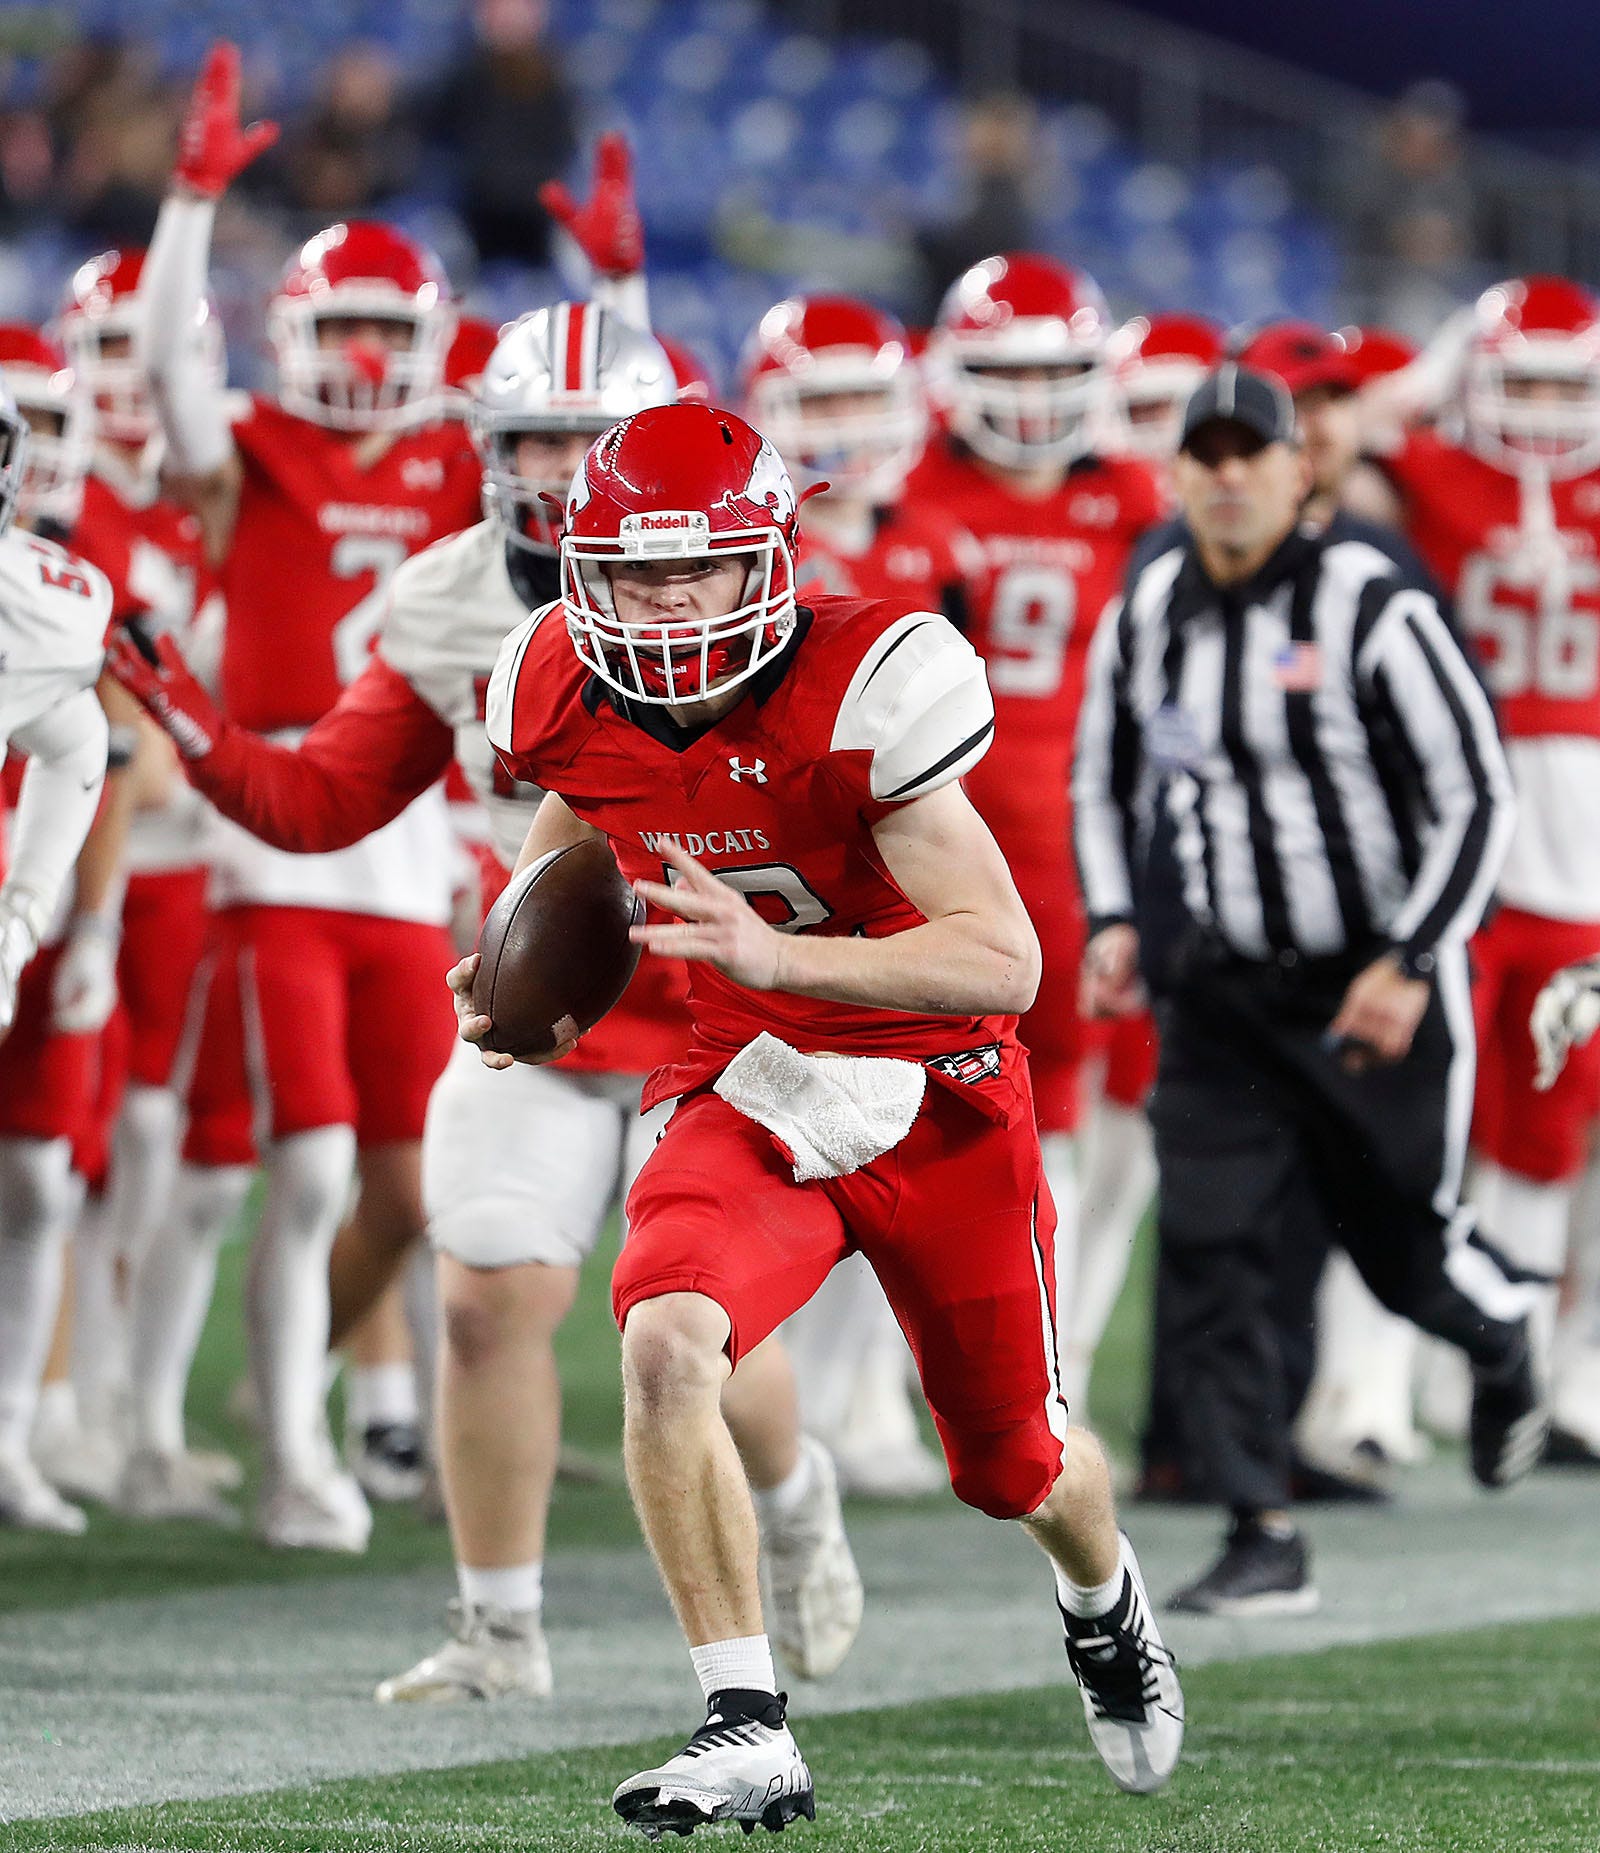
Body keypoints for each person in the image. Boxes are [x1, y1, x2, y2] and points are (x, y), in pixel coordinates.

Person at [111, 306, 863, 1699]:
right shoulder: (451, 595)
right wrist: (205, 736)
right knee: (483, 1296)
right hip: (539, 1003)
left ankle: (796, 1494)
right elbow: (326, 798)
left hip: (721, 1007)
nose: (564, 469)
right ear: (485, 447)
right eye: (536, 440)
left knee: (708, 1340)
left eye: (592, 440)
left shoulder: (746, 590)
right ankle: (499, 1627)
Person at [476, 401, 1183, 1835]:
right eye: (633, 572)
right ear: (581, 571)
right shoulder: (558, 685)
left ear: (770, 564)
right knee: (666, 1339)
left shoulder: (865, 687)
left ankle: (1105, 1601)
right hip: (752, 1082)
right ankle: (745, 1719)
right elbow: (579, 823)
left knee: (1015, 1465)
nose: (665, 602)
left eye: (698, 568)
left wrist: (779, 957)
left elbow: (1003, 962)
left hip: (939, 1092)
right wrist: (523, 967)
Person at [1074, 365, 1546, 1617]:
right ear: (1177, 472)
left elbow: (1477, 792)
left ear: (1301, 470)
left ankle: (1500, 1336)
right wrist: (1114, 916)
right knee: (1211, 1246)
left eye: (1253, 452)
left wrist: (1410, 959)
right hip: (1218, 994)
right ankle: (1258, 1523)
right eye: (1207, 454)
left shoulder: (1372, 599)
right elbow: (1101, 778)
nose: (1229, 475)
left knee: (1403, 1255)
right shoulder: (1150, 604)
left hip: (1368, 985)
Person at [131, 43, 482, 1550]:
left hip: (407, 849)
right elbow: (168, 374)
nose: (359, 352)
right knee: (311, 1161)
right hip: (274, 843)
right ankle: (291, 1450)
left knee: (420, 1183)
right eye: (338, 323)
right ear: (291, 329)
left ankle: (354, 1412)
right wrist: (189, 203)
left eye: (384, 327)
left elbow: (591, 461)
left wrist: (622, 293)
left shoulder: (459, 464)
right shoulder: (255, 452)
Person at [905, 253, 1166, 1399]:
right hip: (927, 816)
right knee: (894, 1094)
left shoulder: (1135, 497)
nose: (1028, 399)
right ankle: (895, 1368)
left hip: (1071, 827)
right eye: (1003, 371)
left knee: (1050, 1100)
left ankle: (1030, 1354)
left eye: (1053, 370)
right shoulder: (907, 477)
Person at [1364, 277, 1600, 1460]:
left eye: (1568, 384)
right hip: (1454, 836)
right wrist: (1441, 356)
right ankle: (1374, 1387)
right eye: (1525, 381)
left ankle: (1519, 1378)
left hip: (1582, 852)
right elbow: (1359, 429)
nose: (1545, 408)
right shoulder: (1436, 470)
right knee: (1419, 1123)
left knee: (1546, 1132)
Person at [740, 291, 958, 1496]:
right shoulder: (762, 547)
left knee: (900, 1138)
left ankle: (858, 1397)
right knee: (801, 1145)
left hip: (907, 870)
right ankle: (806, 1409)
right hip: (795, 875)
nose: (843, 425)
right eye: (816, 400)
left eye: (860, 398)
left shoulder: (930, 540)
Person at [0, 372, 114, 1532]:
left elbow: (81, 744)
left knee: (38, 1172)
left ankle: (10, 1435)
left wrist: (28, 911)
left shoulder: (39, 601)